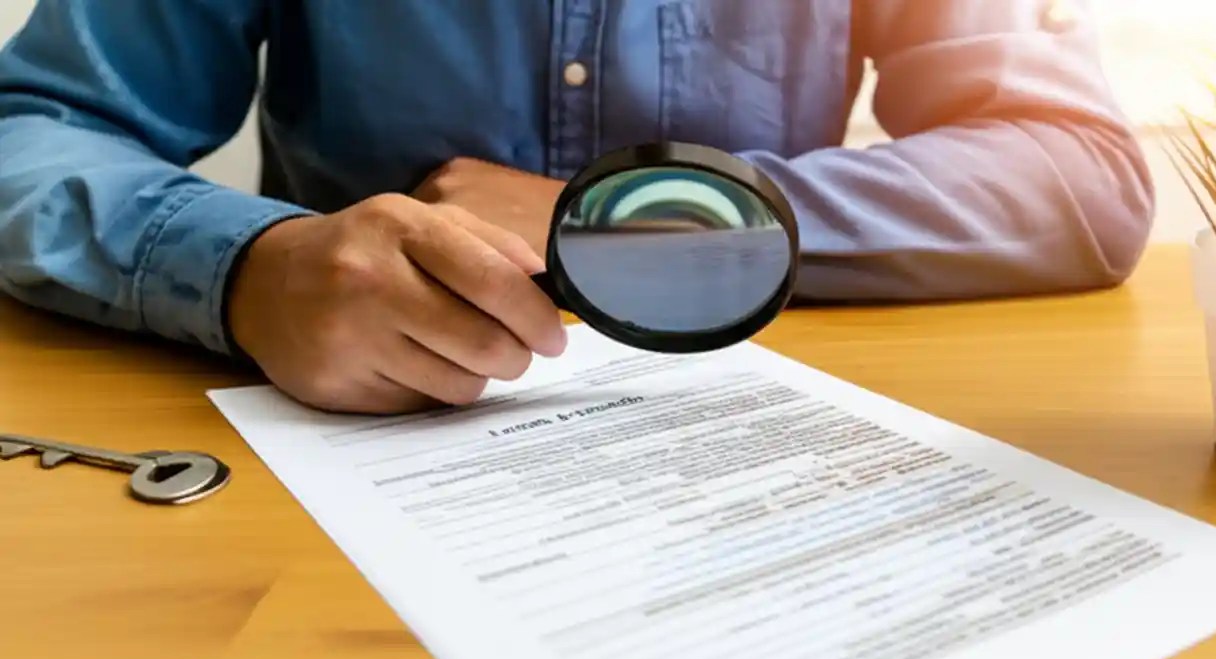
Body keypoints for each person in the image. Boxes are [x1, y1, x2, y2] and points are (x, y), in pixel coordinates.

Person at [0, 1, 1154, 414]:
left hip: (755, 450)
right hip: (342, 432)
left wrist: (628, 224)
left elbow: (1077, 173)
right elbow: (33, 125)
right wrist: (248, 267)